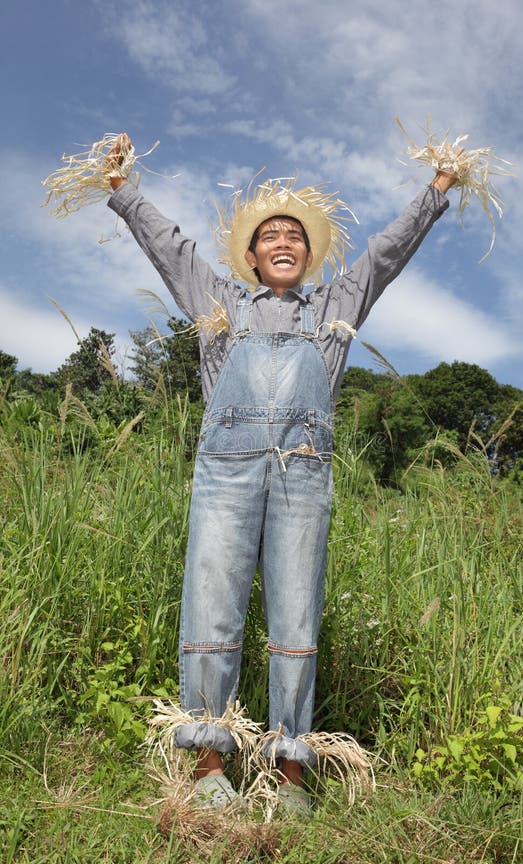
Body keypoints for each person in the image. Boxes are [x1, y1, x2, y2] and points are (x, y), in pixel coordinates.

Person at [107, 136, 459, 811]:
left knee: (296, 613)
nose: (282, 242)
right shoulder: (216, 303)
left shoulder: (335, 307)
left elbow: (386, 253)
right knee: (212, 603)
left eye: (294, 237)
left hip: (303, 477)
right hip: (225, 474)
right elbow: (170, 247)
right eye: (270, 235)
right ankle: (211, 763)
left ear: (309, 254)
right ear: (251, 255)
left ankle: (290, 772)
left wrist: (437, 190)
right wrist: (122, 192)